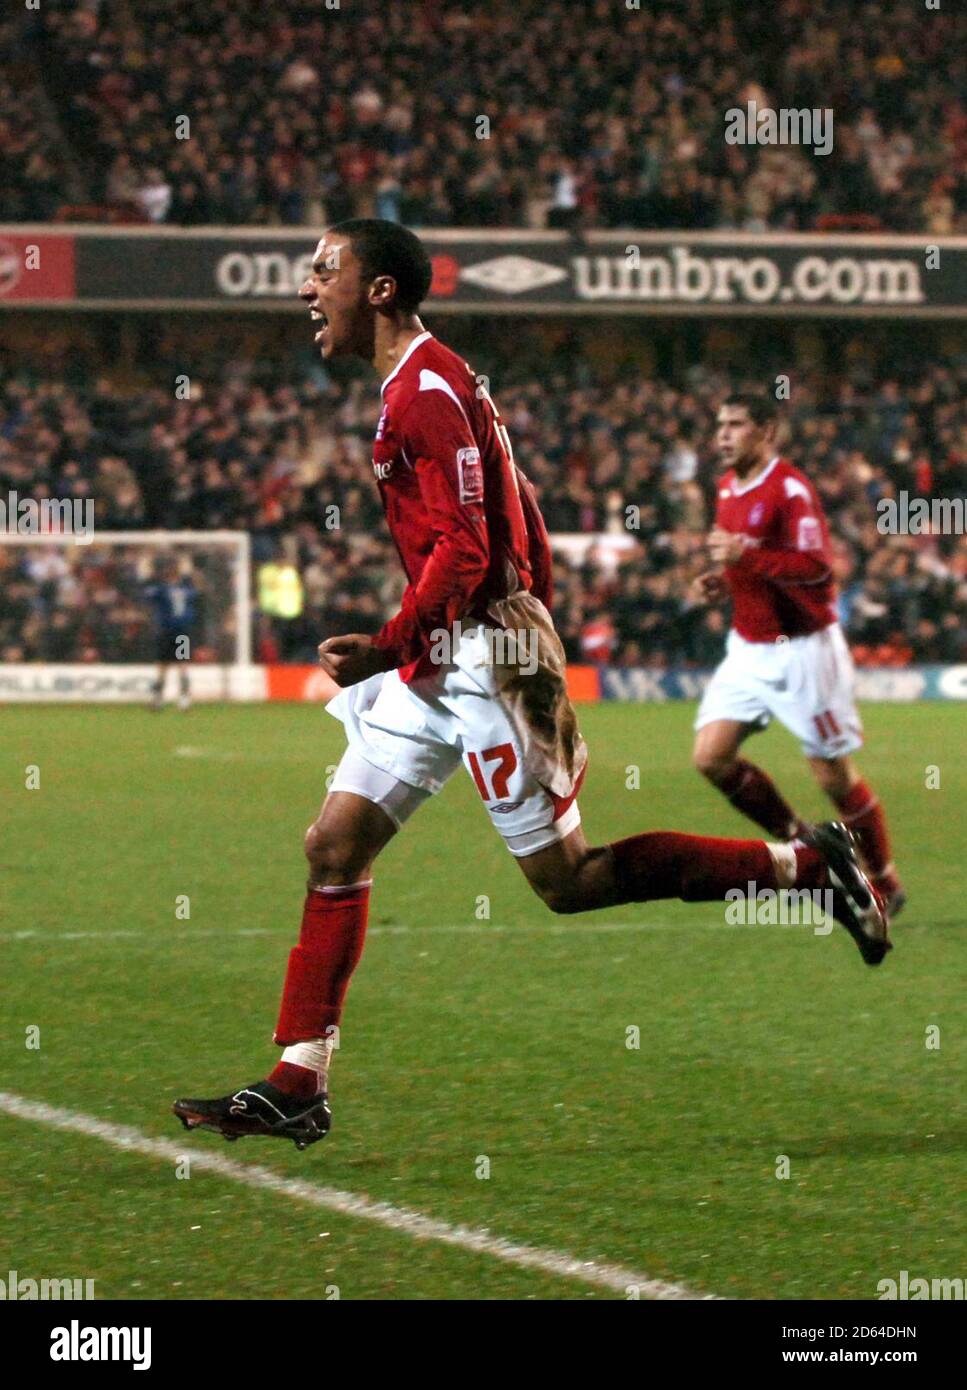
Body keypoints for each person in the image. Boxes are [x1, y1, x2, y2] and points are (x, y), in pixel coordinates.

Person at [173, 221, 889, 1152]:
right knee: (334, 843)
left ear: (379, 289)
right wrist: (448, 631)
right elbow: (499, 520)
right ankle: (296, 1080)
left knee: (568, 880)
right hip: (450, 649)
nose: (308, 289)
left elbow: (468, 549)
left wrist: (403, 643)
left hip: (484, 658)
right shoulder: (430, 382)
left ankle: (807, 866)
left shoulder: (425, 391)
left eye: (324, 271)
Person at [691, 394, 905, 918]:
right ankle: (807, 848)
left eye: (736, 425)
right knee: (710, 757)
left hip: (804, 651)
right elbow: (754, 566)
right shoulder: (724, 486)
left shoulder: (790, 489)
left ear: (767, 431)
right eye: (720, 425)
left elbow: (816, 567)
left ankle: (884, 879)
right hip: (748, 646)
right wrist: (725, 580)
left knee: (832, 775)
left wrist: (747, 556)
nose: (723, 435)